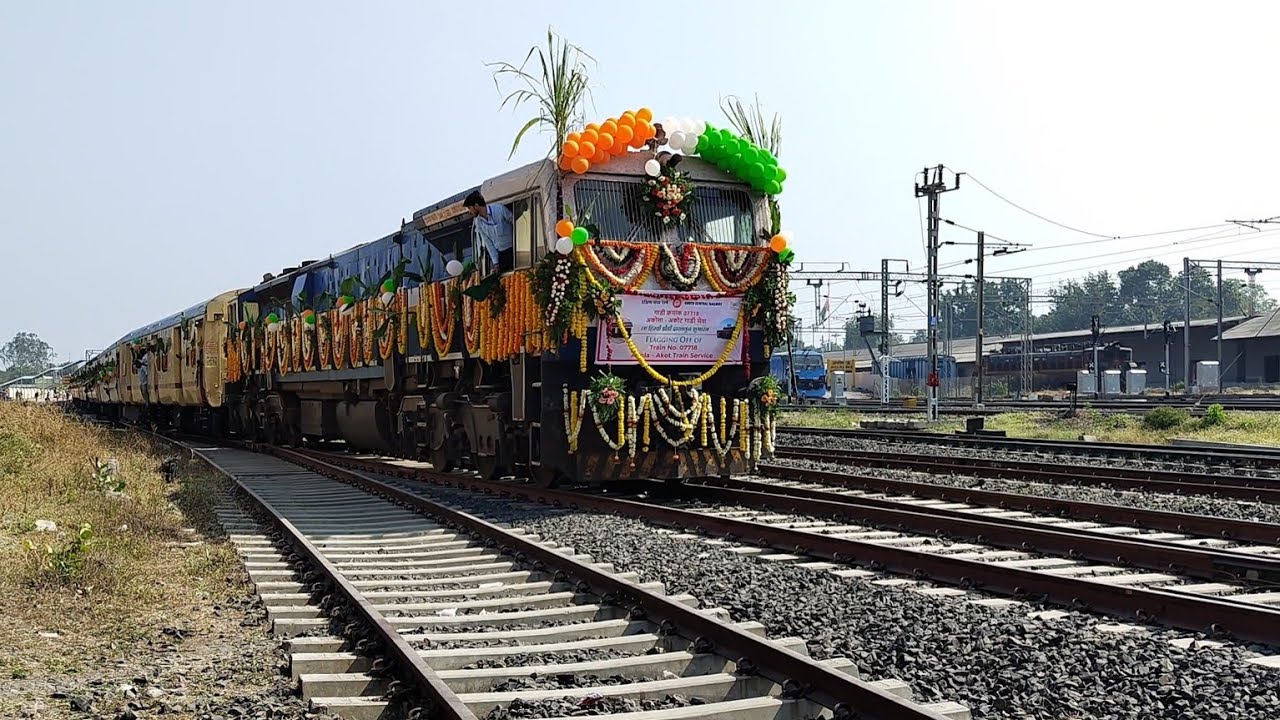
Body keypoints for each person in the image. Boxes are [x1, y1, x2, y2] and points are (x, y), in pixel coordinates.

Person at [464, 191, 514, 274]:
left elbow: (515, 222)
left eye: (470, 208)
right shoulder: (478, 222)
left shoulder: (499, 209)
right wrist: (496, 263)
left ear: (476, 206)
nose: (469, 211)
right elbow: (488, 242)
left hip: (514, 249)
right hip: (501, 254)